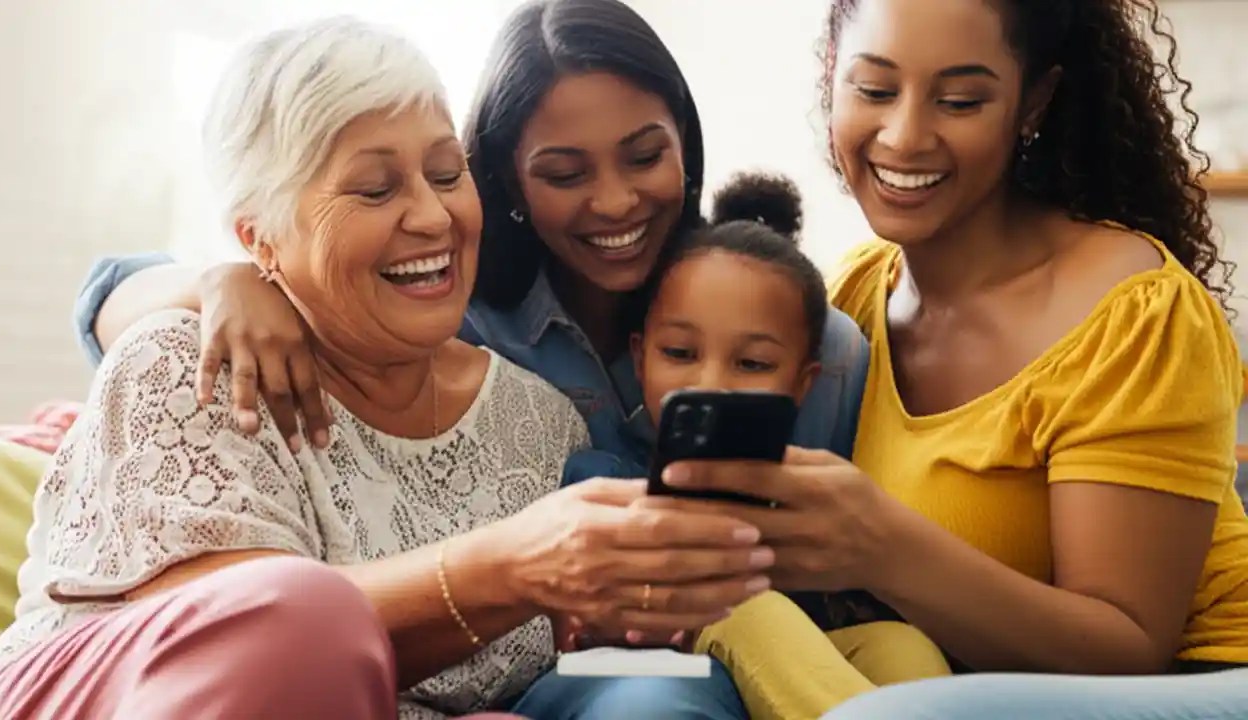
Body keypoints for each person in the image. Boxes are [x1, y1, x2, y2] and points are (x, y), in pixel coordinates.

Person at [73, 1, 869, 713]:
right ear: (512, 183)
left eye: (442, 174)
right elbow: (113, 294)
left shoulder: (806, 347)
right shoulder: (461, 314)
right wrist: (223, 280)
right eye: (564, 172)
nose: (617, 201)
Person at [663, 0, 1248, 717]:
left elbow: (1129, 648)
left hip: (1194, 680)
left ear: (1034, 102)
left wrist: (881, 548)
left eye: (961, 100)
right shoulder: (851, 298)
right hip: (961, 678)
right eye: (875, 90)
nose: (905, 136)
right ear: (831, 81)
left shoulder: (1133, 310)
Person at [562, 171, 952, 720]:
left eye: (752, 364)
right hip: (647, 668)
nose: (710, 381)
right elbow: (577, 619)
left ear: (801, 383)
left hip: (784, 669)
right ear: (640, 355)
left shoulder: (807, 486)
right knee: (745, 607)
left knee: (898, 644)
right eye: (679, 352)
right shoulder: (598, 477)